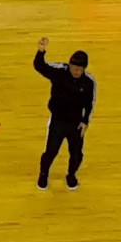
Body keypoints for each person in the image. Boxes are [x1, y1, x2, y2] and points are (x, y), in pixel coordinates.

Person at [33, 38, 96, 192]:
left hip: (76, 124)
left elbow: (90, 103)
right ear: (70, 65)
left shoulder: (89, 82)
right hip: (58, 121)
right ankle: (43, 174)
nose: (76, 72)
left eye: (80, 70)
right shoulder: (59, 72)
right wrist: (41, 51)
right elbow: (40, 66)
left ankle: (71, 175)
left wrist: (85, 121)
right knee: (51, 151)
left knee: (76, 154)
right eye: (74, 68)